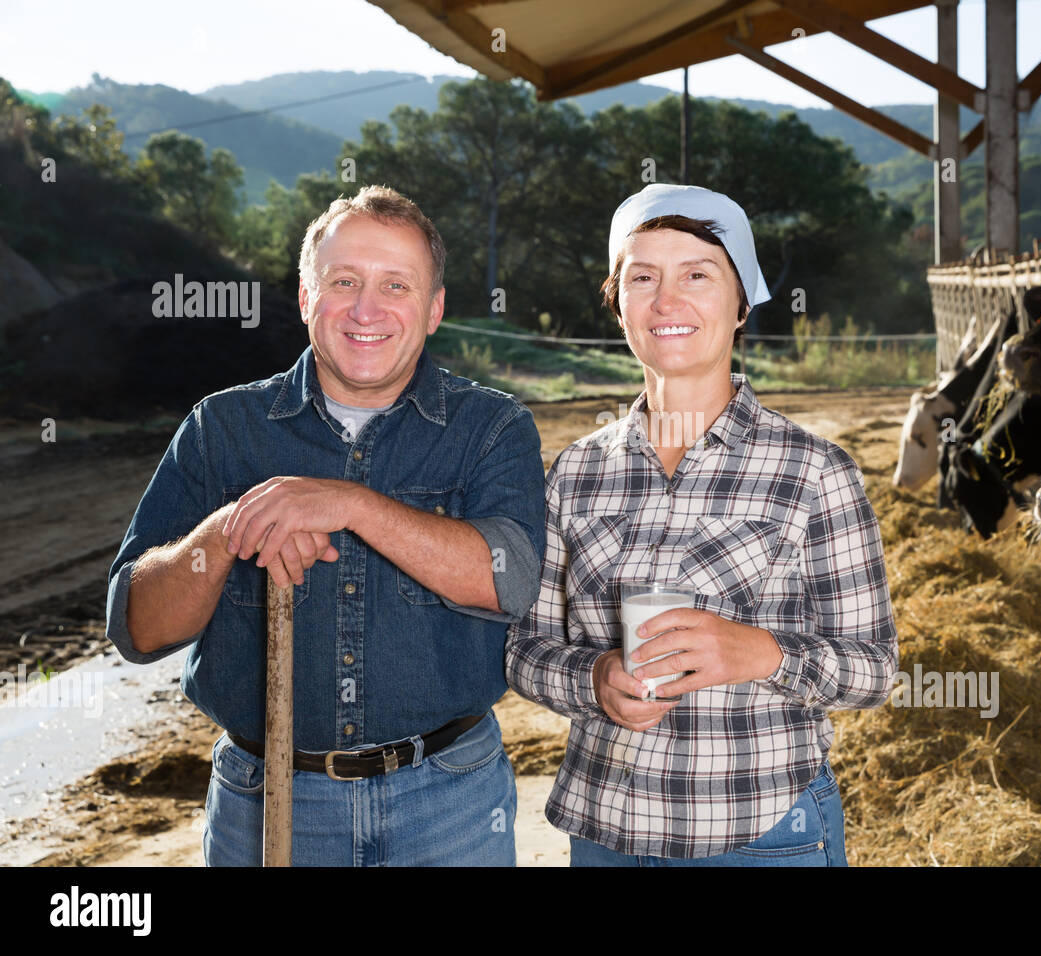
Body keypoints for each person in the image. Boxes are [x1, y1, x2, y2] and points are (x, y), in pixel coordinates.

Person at [105, 185, 545, 866]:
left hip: (450, 803)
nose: (367, 309)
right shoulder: (222, 430)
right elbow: (139, 628)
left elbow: (511, 580)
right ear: (308, 299)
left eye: (395, 285)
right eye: (344, 282)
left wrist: (353, 505)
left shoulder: (490, 427)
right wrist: (230, 530)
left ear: (433, 311)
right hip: (268, 801)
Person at [505, 183, 898, 865]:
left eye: (697, 274)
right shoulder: (576, 472)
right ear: (618, 301)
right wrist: (592, 678)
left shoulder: (814, 472)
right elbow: (522, 649)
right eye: (642, 277)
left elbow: (874, 670)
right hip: (606, 833)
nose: (667, 300)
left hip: (757, 833)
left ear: (741, 301)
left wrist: (761, 653)